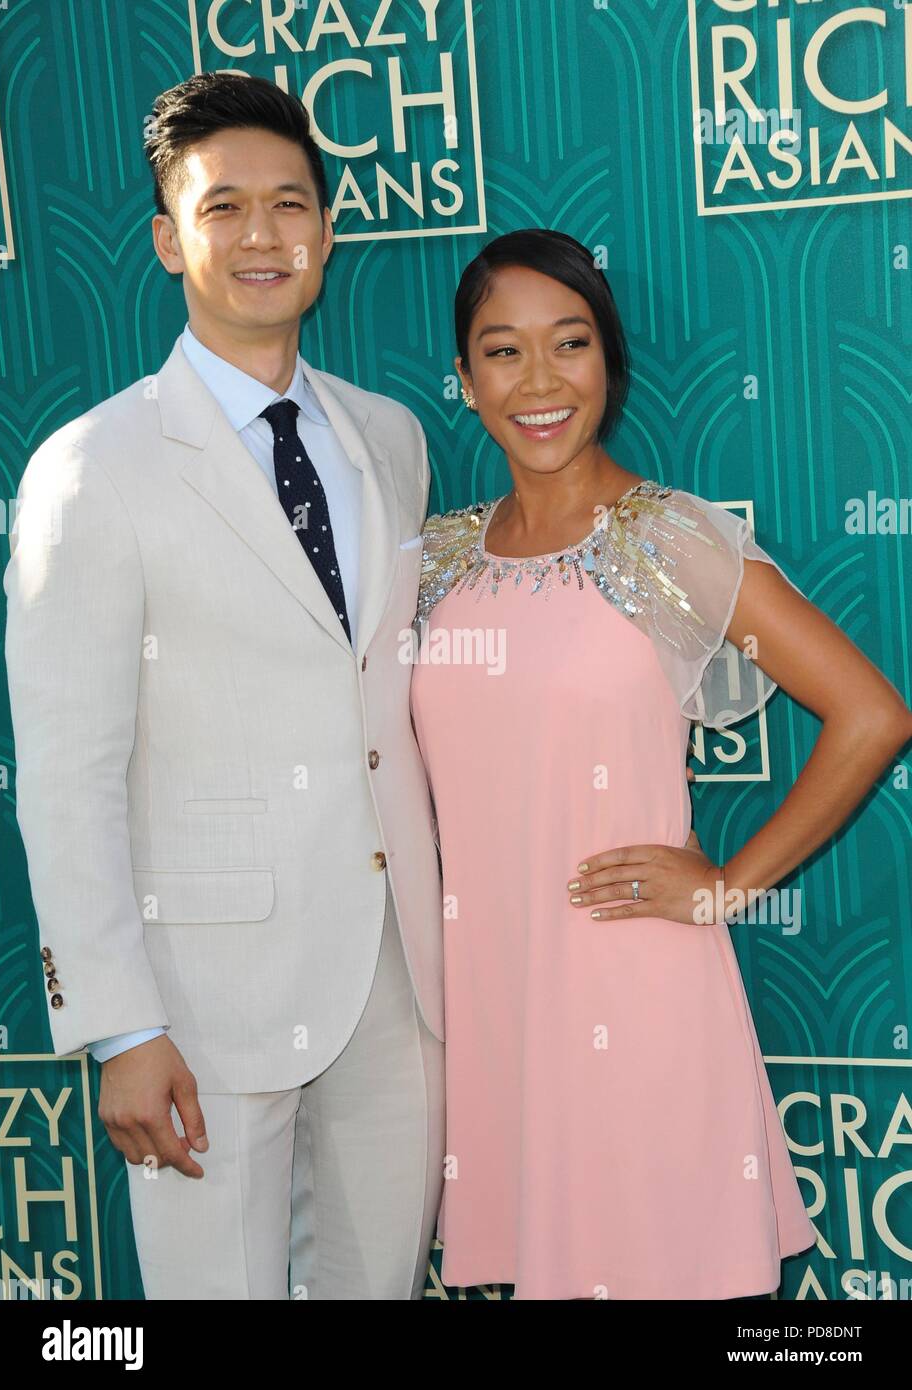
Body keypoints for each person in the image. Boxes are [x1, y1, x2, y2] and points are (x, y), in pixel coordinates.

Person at [4, 72, 445, 1300]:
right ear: (166, 238)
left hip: (394, 980)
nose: (264, 237)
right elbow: (66, 771)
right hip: (199, 1003)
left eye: (291, 205)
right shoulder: (91, 468)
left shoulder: (390, 436)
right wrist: (121, 1027)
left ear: (327, 231)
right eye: (224, 208)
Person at [408, 228, 912, 1301]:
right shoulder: (433, 560)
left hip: (632, 988)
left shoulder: (666, 541)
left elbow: (869, 713)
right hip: (491, 1007)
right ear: (462, 379)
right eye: (501, 351)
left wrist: (727, 885)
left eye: (569, 343)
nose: (538, 381)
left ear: (610, 364)